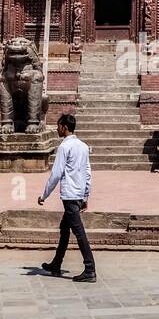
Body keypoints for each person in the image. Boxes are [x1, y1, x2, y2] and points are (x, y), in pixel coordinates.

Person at [37, 112, 96, 282]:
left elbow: (56, 174)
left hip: (70, 195)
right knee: (65, 229)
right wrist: (86, 196)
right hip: (78, 194)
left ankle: (90, 269)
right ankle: (56, 263)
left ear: (64, 127)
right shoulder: (83, 146)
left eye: (58, 125)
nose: (57, 128)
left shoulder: (64, 147)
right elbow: (88, 173)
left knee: (79, 233)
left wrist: (44, 195)